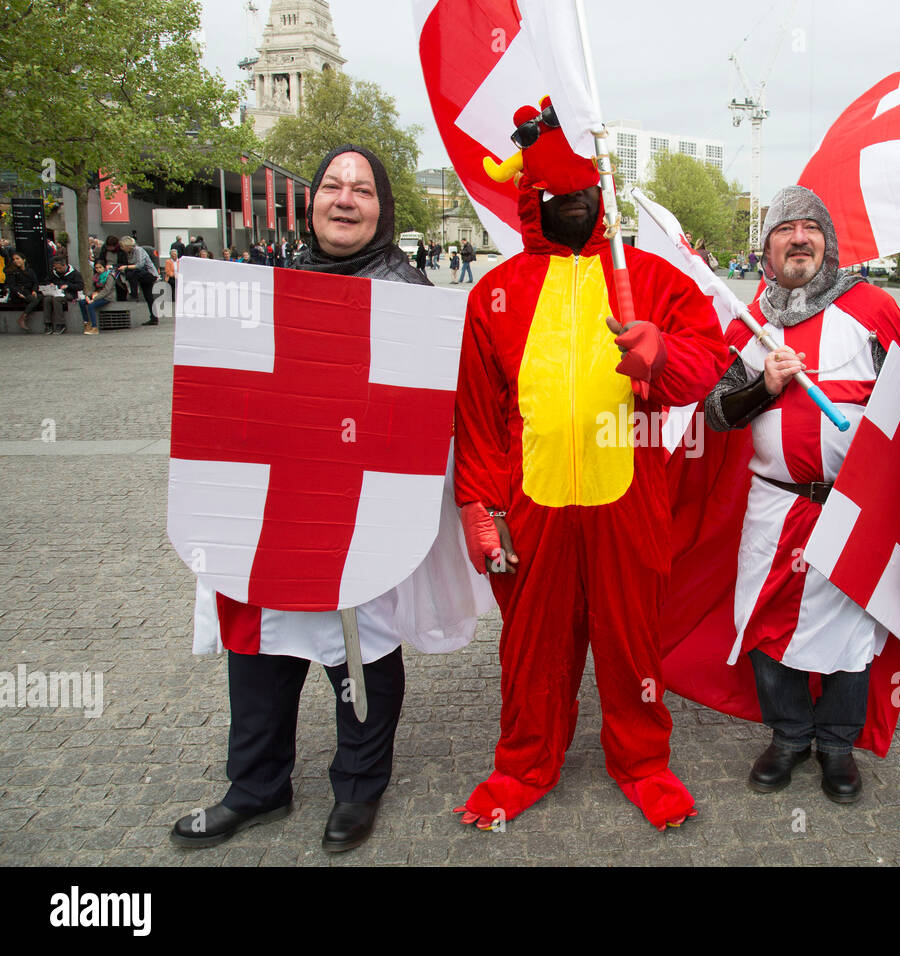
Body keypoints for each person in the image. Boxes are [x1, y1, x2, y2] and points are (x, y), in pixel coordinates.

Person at [453, 98, 727, 830]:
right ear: (531, 200)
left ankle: (642, 762)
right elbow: (478, 418)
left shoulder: (652, 282)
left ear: (601, 195)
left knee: (631, 636)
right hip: (532, 505)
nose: (571, 205)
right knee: (531, 645)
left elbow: (710, 362)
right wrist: (481, 510)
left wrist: (660, 353)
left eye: (582, 193)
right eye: (555, 196)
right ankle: (522, 763)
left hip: (629, 500)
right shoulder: (495, 295)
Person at [171, 144, 448, 854]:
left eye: (361, 189)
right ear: (314, 201)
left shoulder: (406, 293)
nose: (344, 198)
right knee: (260, 643)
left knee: (362, 647)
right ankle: (257, 788)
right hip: (276, 502)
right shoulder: (273, 281)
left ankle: (359, 789)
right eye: (332, 186)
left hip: (361, 506)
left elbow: (420, 421)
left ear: (381, 208)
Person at [702, 186, 900, 803]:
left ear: (828, 241)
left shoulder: (872, 310)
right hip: (774, 504)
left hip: (851, 505)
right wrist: (763, 386)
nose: (799, 238)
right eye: (784, 228)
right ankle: (790, 736)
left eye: (810, 228)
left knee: (852, 625)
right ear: (766, 247)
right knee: (768, 620)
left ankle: (839, 746)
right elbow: (718, 413)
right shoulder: (751, 323)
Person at [117, 236, 159, 324]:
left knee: (131, 273)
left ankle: (134, 294)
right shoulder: (129, 253)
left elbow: (140, 265)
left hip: (149, 274)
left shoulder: (138, 250)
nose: (122, 249)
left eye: (123, 247)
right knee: (148, 296)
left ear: (128, 246)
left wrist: (126, 267)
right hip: (141, 274)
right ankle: (154, 317)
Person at [41, 255, 84, 334]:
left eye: (60, 268)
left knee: (57, 299)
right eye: (56, 268)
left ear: (65, 265)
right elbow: (46, 281)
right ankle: (48, 323)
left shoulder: (75, 273)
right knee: (47, 299)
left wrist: (68, 286)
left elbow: (80, 286)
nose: (58, 270)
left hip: (69, 293)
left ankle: (60, 324)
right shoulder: (53, 273)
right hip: (55, 292)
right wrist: (49, 284)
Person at [8, 253, 41, 332]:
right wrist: (18, 293)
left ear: (23, 260)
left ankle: (23, 317)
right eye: (14, 259)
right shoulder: (12, 272)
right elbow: (12, 286)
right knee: (34, 300)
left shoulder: (30, 270)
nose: (15, 261)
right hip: (19, 294)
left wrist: (34, 290)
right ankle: (22, 318)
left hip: (29, 292)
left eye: (17, 258)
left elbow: (35, 282)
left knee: (40, 297)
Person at [81, 262, 114, 335]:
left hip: (106, 297)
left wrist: (94, 299)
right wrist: (87, 296)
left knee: (91, 306)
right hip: (95, 295)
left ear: (104, 267)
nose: (98, 269)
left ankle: (94, 327)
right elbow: (92, 288)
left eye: (100, 267)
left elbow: (106, 290)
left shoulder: (109, 276)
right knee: (82, 302)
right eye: (96, 268)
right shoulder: (95, 276)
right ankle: (87, 323)